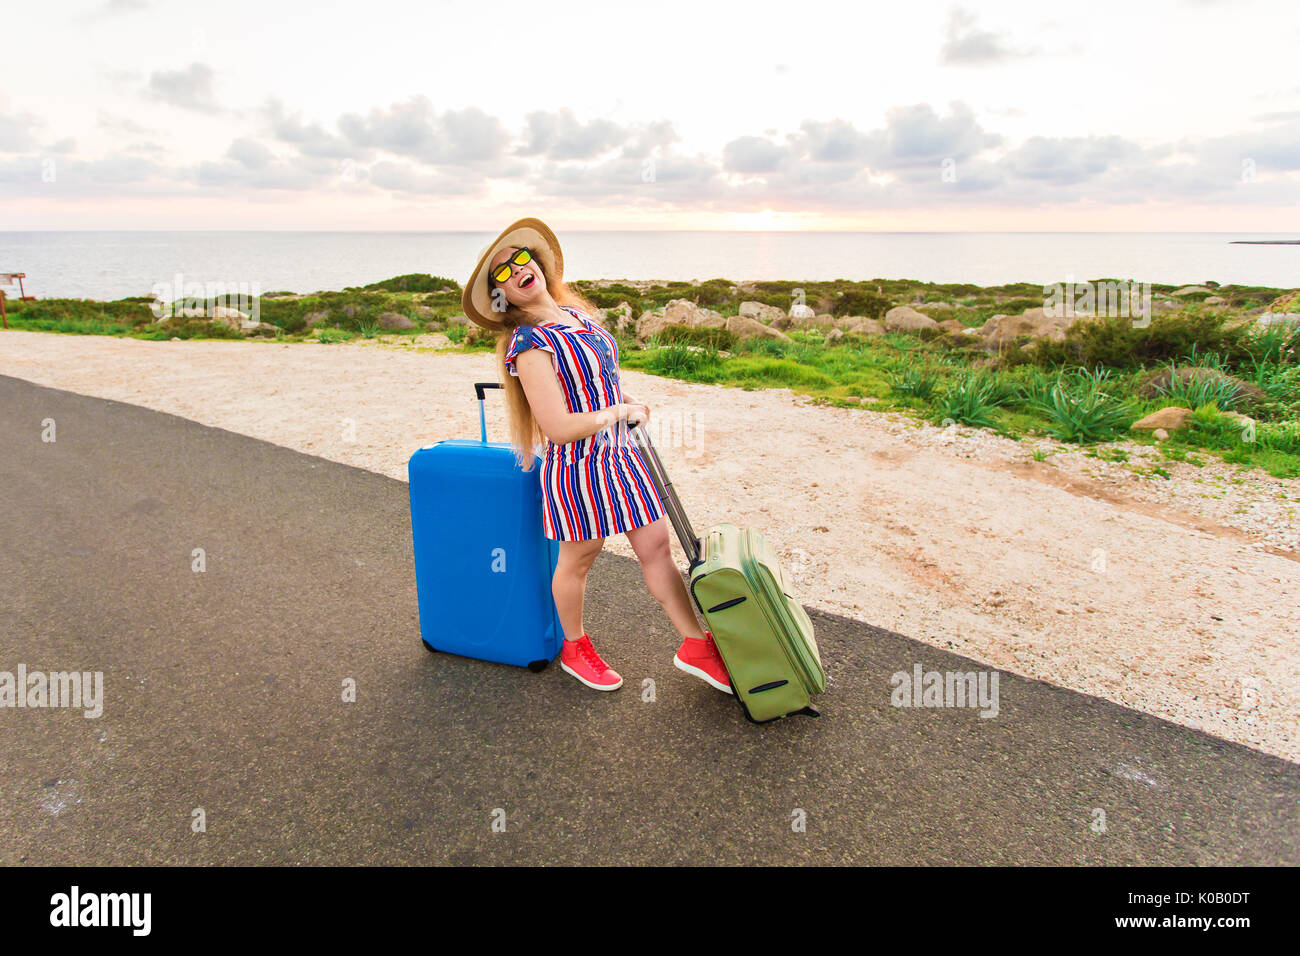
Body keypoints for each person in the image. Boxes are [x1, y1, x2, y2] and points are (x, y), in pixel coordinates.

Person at [461, 218, 731, 696]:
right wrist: (616, 412)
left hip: (622, 457)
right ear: (501, 297)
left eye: (520, 259)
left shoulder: (578, 317)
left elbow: (599, 379)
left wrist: (627, 401)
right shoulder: (528, 345)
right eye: (502, 273)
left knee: (656, 550)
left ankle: (696, 646)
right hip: (578, 470)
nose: (517, 270)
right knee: (578, 563)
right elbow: (559, 428)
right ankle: (574, 647)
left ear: (537, 264)